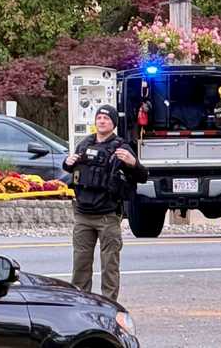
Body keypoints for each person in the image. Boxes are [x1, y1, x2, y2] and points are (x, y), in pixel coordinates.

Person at [63, 104, 147, 302]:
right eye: (99, 117)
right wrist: (67, 163)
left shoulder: (121, 147)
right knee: (80, 264)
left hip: (107, 216)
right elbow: (73, 171)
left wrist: (132, 163)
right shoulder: (84, 144)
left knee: (109, 265)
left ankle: (109, 303)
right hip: (83, 215)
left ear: (113, 124)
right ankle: (80, 303)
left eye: (106, 118)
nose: (102, 121)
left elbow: (142, 176)